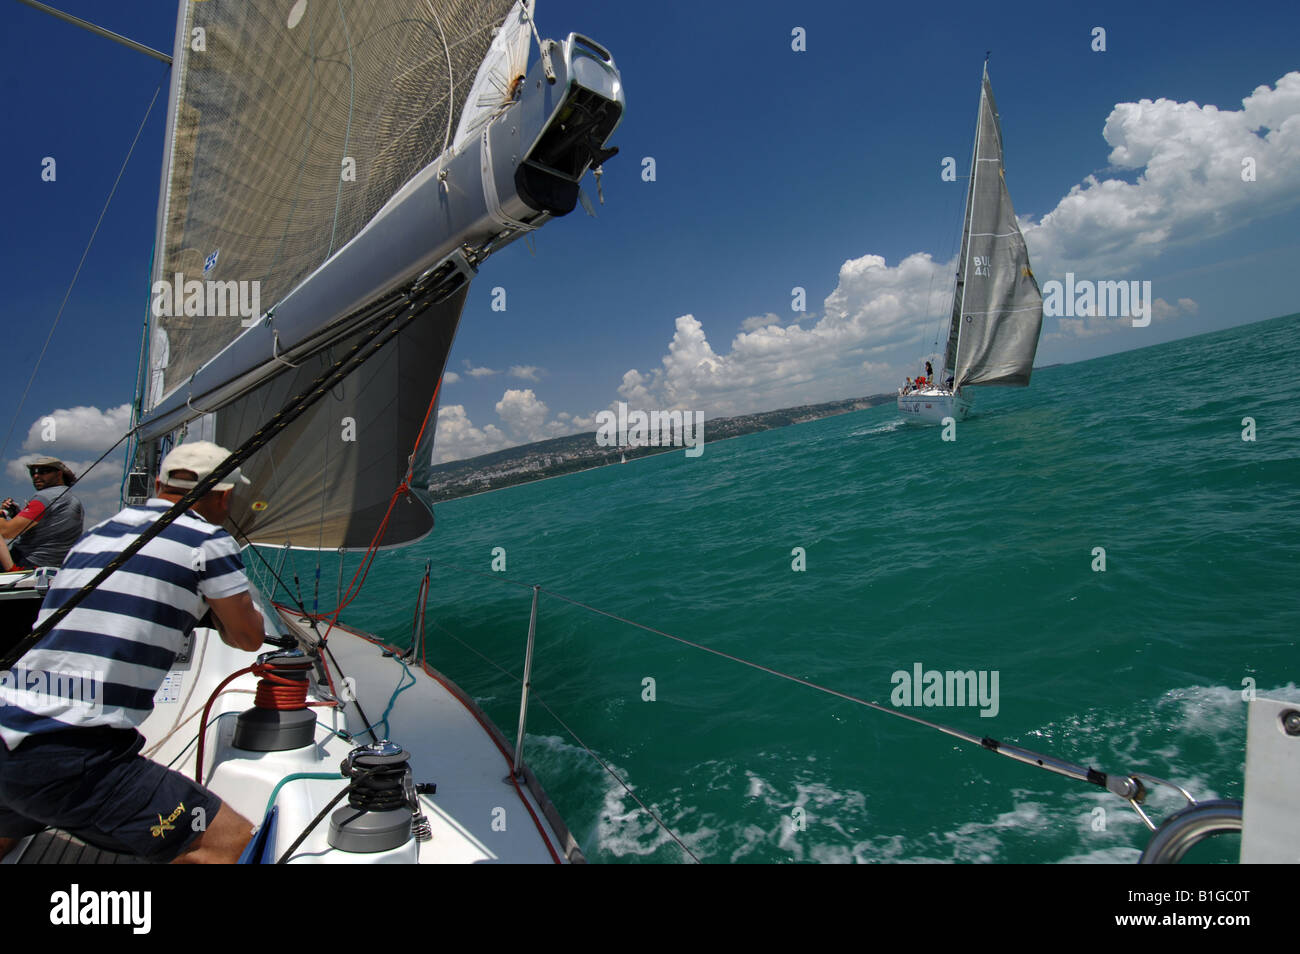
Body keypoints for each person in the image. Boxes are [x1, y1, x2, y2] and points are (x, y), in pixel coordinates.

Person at [0, 441, 266, 863]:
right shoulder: (208, 541)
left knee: (14, 813)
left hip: (7, 729)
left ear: (159, 484)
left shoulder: (96, 536)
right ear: (222, 495)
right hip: (68, 751)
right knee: (226, 843)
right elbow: (247, 638)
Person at [0, 457, 84, 571]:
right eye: (32, 473)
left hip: (25, 562)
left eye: (43, 472)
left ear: (59, 474)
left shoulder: (45, 497)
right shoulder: (72, 499)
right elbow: (45, 532)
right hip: (54, 565)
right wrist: (17, 514)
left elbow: (6, 532)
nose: (36, 476)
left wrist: (2, 514)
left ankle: (11, 571)